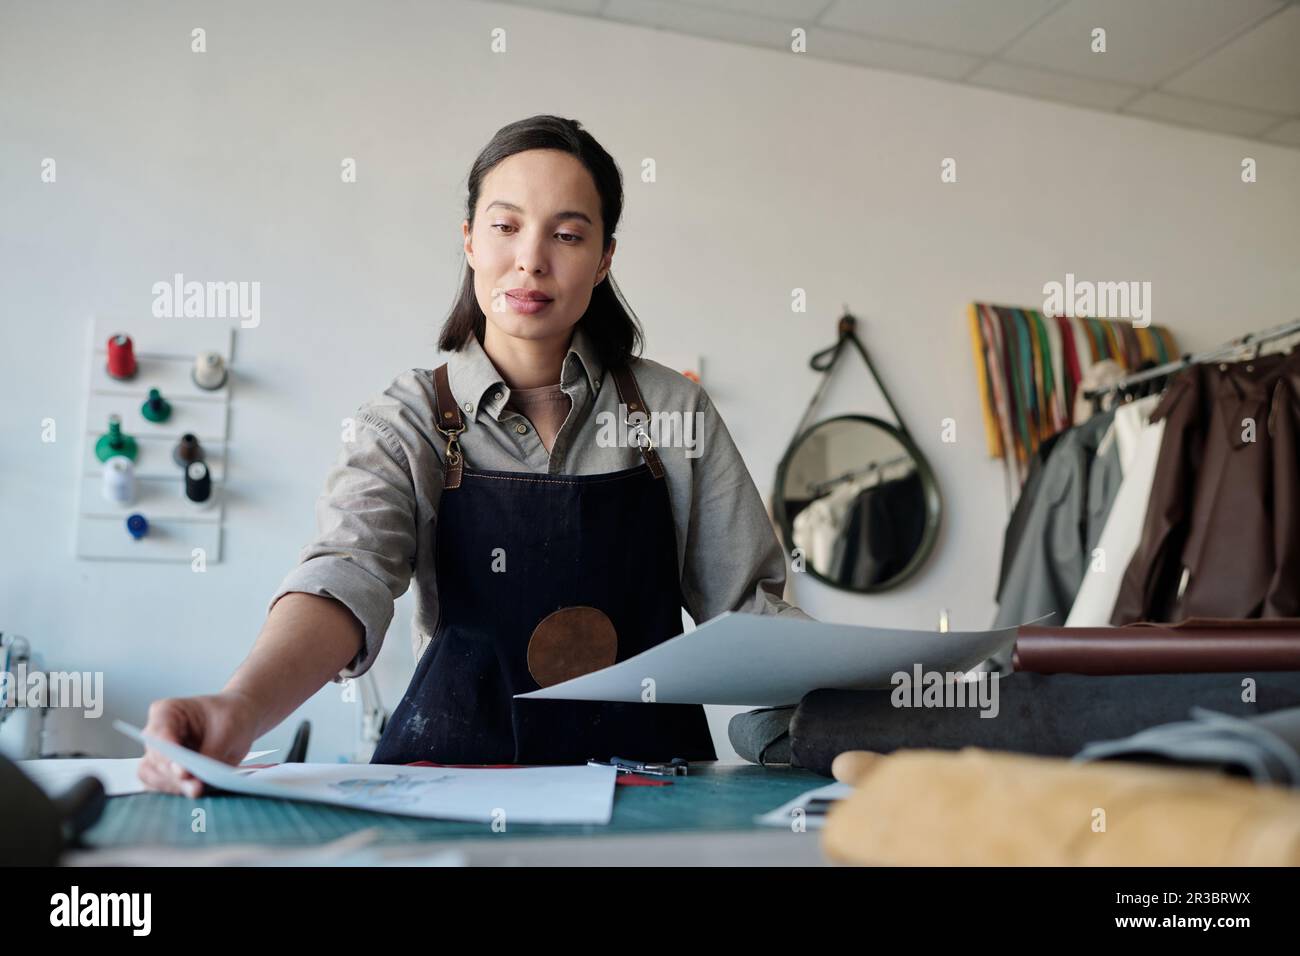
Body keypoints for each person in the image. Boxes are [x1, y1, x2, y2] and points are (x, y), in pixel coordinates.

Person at [139, 114, 810, 796]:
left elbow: (748, 613)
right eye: (505, 225)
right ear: (468, 240)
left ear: (605, 258)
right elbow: (346, 575)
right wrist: (243, 707)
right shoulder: (407, 420)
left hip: (653, 791)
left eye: (568, 234)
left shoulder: (673, 412)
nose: (531, 259)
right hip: (456, 783)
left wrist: (882, 699)